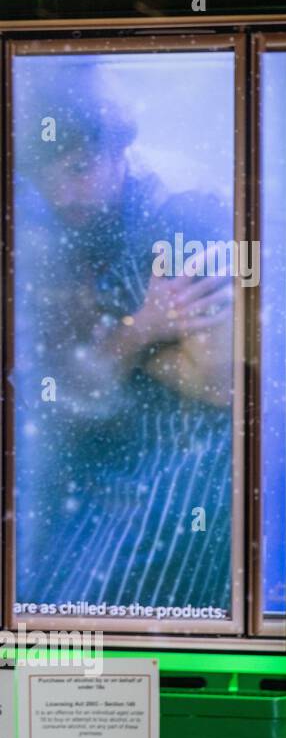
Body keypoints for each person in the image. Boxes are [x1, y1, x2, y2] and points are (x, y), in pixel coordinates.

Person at [12, 58, 235, 620]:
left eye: (81, 168)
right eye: (46, 175)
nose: (65, 192)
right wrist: (146, 329)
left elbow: (220, 383)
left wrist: (107, 343)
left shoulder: (185, 214)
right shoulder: (52, 228)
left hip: (176, 501)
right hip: (85, 499)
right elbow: (47, 384)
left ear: (118, 150)